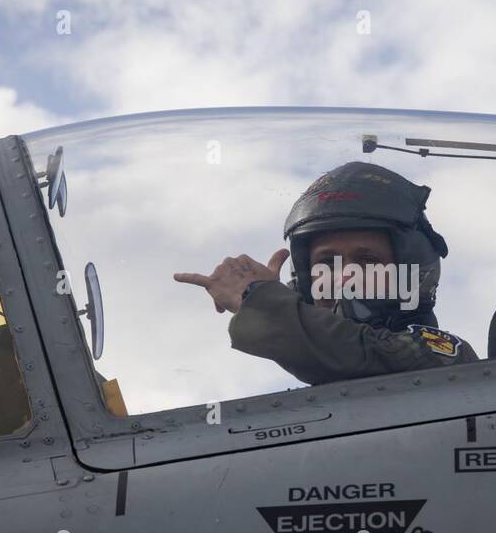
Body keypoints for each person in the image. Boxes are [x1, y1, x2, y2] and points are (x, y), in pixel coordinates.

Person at [173, 162, 478, 385]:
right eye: (327, 263)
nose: (345, 277)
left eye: (367, 261)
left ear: (412, 274)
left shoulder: (443, 356)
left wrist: (260, 300)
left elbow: (363, 353)